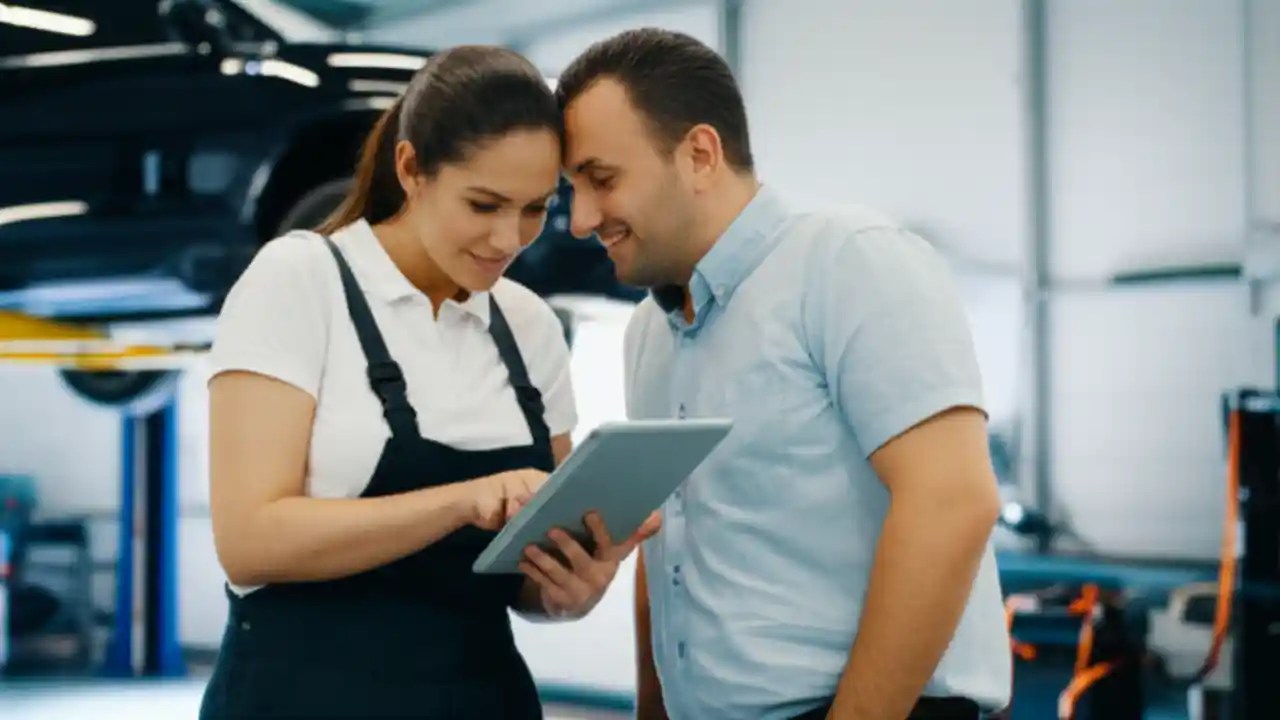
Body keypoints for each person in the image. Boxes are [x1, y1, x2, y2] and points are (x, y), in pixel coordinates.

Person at [555, 28, 1013, 720]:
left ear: (699, 154)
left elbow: (952, 503)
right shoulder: (651, 330)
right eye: (572, 189)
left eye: (602, 180)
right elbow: (669, 543)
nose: (582, 219)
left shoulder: (849, 262)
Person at [198, 45, 657, 719]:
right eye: (484, 204)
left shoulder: (528, 326)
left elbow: (525, 584)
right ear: (410, 168)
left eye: (535, 208)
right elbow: (249, 543)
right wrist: (462, 501)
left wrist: (569, 590)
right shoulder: (299, 281)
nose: (510, 238)